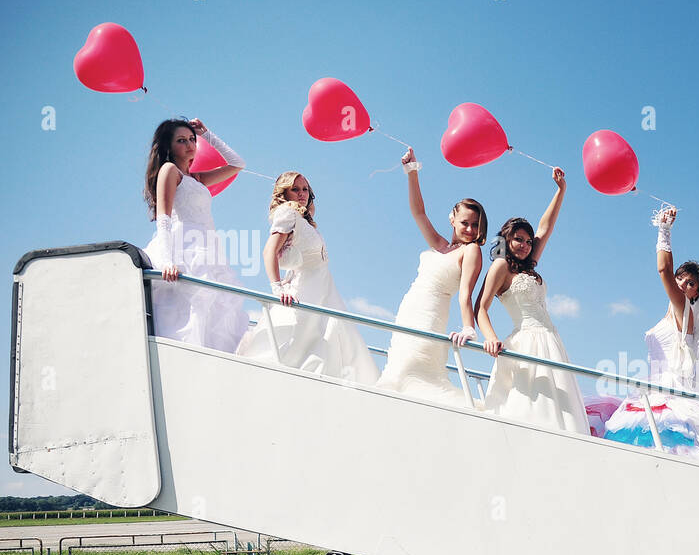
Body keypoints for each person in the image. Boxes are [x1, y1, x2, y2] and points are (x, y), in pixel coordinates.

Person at [603, 207, 699, 465]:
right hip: (652, 387)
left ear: (696, 294)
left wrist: (664, 229)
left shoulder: (684, 309)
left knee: (670, 449)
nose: (682, 283)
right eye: (681, 277)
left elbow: (663, 270)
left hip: (674, 392)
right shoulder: (669, 315)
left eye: (690, 283)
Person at [236, 173, 380, 383]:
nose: (302, 194)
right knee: (300, 343)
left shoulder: (304, 220)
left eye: (305, 189)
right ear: (284, 193)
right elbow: (269, 252)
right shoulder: (287, 214)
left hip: (324, 289)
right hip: (306, 291)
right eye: (295, 189)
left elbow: (296, 257)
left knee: (330, 340)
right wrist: (278, 288)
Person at [476, 167, 588, 434]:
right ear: (507, 239)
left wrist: (561, 190)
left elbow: (545, 229)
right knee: (531, 403)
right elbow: (480, 307)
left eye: (528, 241)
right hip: (526, 340)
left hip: (551, 339)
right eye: (518, 239)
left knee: (560, 407)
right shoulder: (501, 266)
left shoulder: (528, 266)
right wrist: (490, 338)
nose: (525, 244)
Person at [374, 148, 485, 406]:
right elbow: (419, 213)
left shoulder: (472, 251)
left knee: (415, 374)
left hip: (431, 314)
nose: (469, 229)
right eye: (465, 222)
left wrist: (469, 328)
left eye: (475, 225)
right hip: (409, 309)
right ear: (452, 220)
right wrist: (412, 172)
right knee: (397, 368)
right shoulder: (441, 245)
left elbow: (467, 293)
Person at [142, 118, 249, 352]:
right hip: (185, 247)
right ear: (169, 146)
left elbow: (237, 164)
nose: (190, 145)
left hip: (207, 245)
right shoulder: (169, 171)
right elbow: (164, 217)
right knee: (192, 305)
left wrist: (207, 134)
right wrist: (168, 260)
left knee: (214, 306)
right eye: (182, 140)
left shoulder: (197, 178)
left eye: (192, 139)